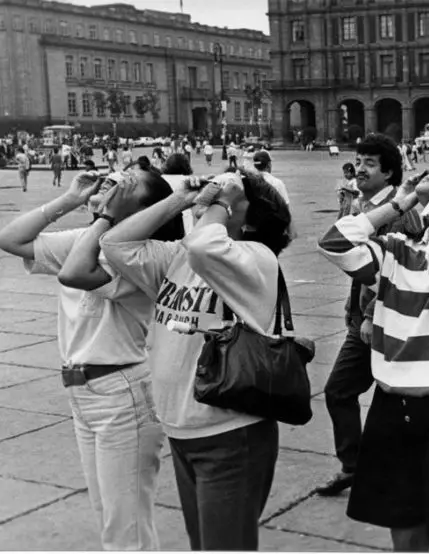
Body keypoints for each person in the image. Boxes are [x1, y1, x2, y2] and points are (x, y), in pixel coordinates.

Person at [318, 147, 429, 552]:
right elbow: (334, 243)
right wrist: (400, 202)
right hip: (394, 405)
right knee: (403, 526)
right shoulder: (399, 248)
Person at [99, 169, 292, 551]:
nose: (218, 194)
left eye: (234, 196)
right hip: (184, 430)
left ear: (250, 217)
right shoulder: (181, 257)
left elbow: (206, 245)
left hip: (230, 435)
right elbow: (115, 244)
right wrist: (178, 199)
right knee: (203, 545)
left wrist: (221, 200)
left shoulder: (257, 260)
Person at [0, 165, 185, 550]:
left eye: (128, 183)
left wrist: (104, 216)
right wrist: (70, 200)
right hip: (84, 393)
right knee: (109, 519)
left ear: (146, 208)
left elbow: (74, 273)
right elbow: (11, 239)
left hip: (122, 395)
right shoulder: (89, 239)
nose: (114, 182)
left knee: (126, 529)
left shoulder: (142, 259)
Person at [315, 134, 422, 497]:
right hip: (359, 316)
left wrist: (370, 315)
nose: (359, 169)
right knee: (347, 391)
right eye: (358, 161)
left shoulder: (400, 210)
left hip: (383, 320)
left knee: (353, 391)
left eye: (369, 163)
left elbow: (401, 267)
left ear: (389, 172)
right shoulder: (361, 205)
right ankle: (358, 465)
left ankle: (370, 466)